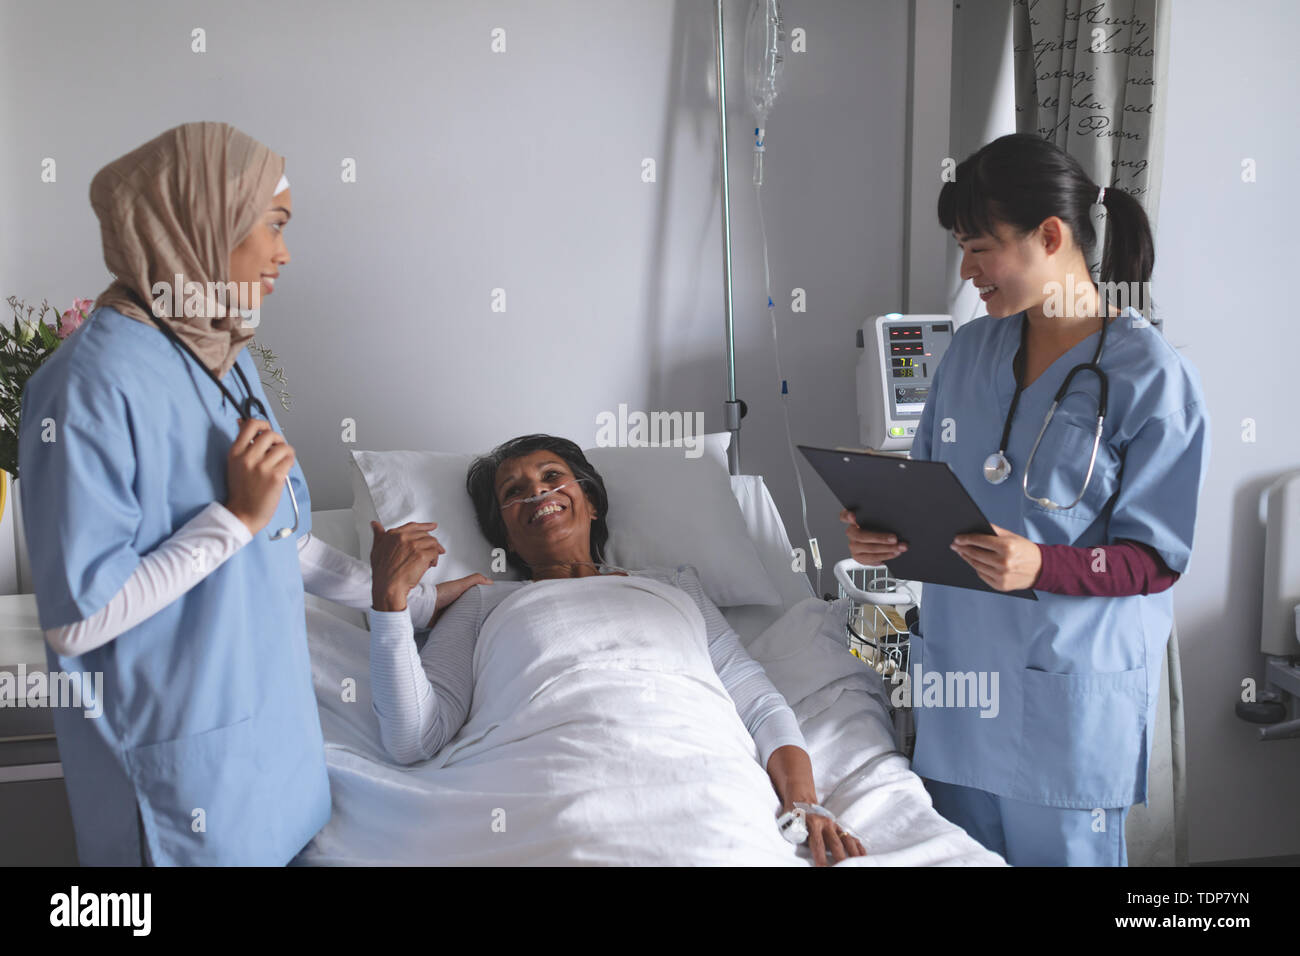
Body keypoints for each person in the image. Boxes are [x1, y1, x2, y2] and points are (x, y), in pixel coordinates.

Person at [18, 122, 476, 865]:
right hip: (180, 777)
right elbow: (80, 617)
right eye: (274, 224)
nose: (284, 252)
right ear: (204, 222)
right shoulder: (85, 386)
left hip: (273, 753)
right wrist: (231, 517)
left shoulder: (226, 358)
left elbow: (282, 538)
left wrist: (409, 600)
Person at [842, 133, 1209, 866]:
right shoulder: (970, 353)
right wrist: (880, 532)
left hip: (1065, 702)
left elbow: (1155, 560)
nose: (966, 270)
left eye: (980, 248)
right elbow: (929, 492)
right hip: (961, 687)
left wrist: (1042, 566)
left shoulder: (1149, 376)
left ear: (1050, 236)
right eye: (960, 247)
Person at [364, 434, 867, 865]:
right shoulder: (481, 601)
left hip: (701, 776)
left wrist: (806, 803)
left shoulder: (676, 585)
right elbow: (415, 739)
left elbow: (757, 703)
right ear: (507, 537)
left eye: (551, 476)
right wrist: (388, 601)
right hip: (549, 782)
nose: (537, 492)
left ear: (591, 502)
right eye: (514, 493)